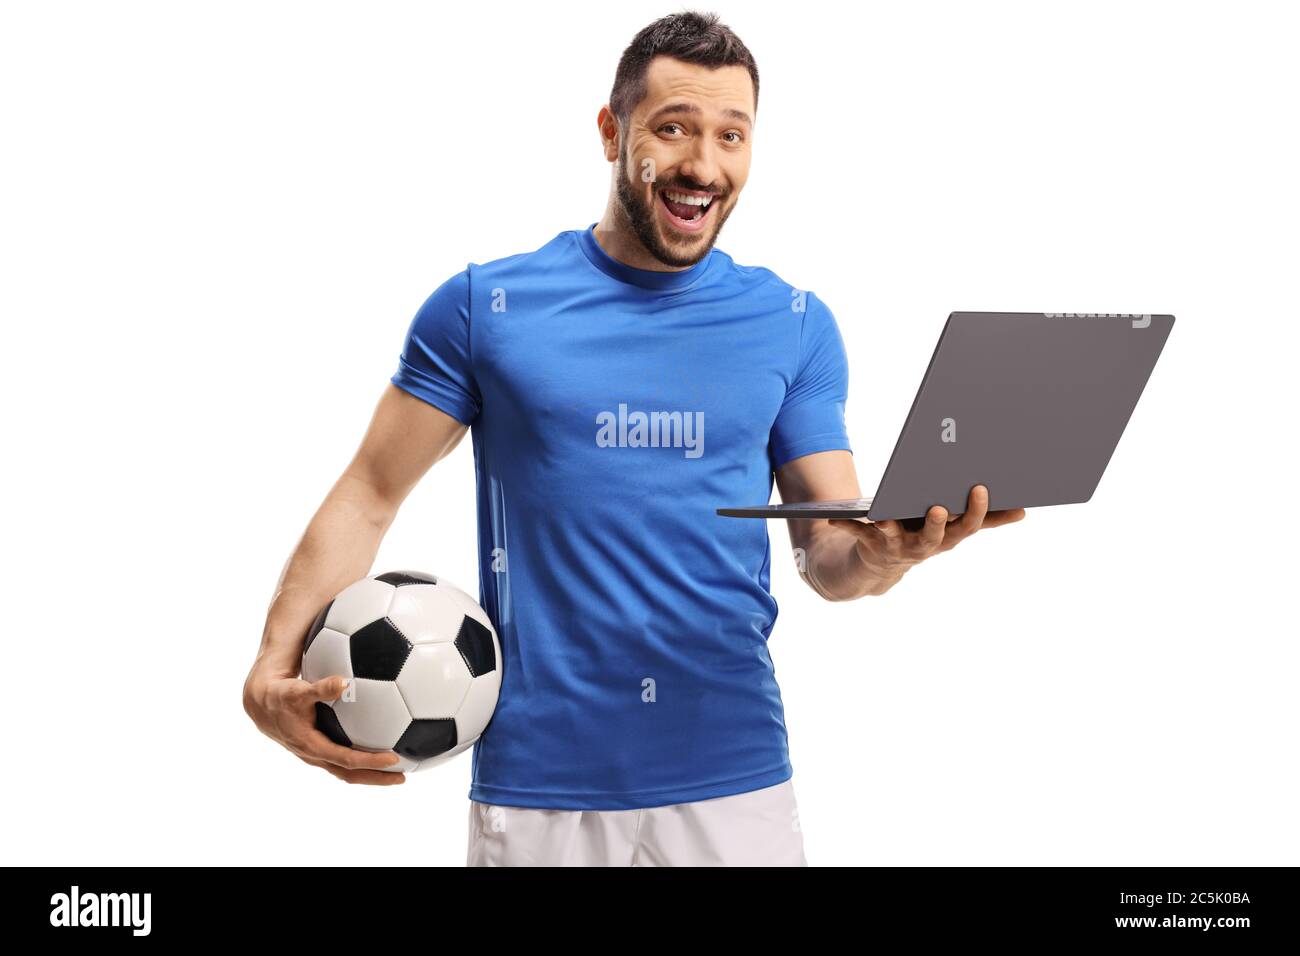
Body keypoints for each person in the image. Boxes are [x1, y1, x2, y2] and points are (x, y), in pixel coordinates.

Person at [242, 11, 1024, 867]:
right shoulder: (484, 309)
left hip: (736, 778)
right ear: (613, 132)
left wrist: (892, 553)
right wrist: (272, 665)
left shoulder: (793, 325)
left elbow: (830, 555)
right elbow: (371, 490)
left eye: (733, 134)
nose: (703, 163)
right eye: (674, 127)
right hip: (541, 790)